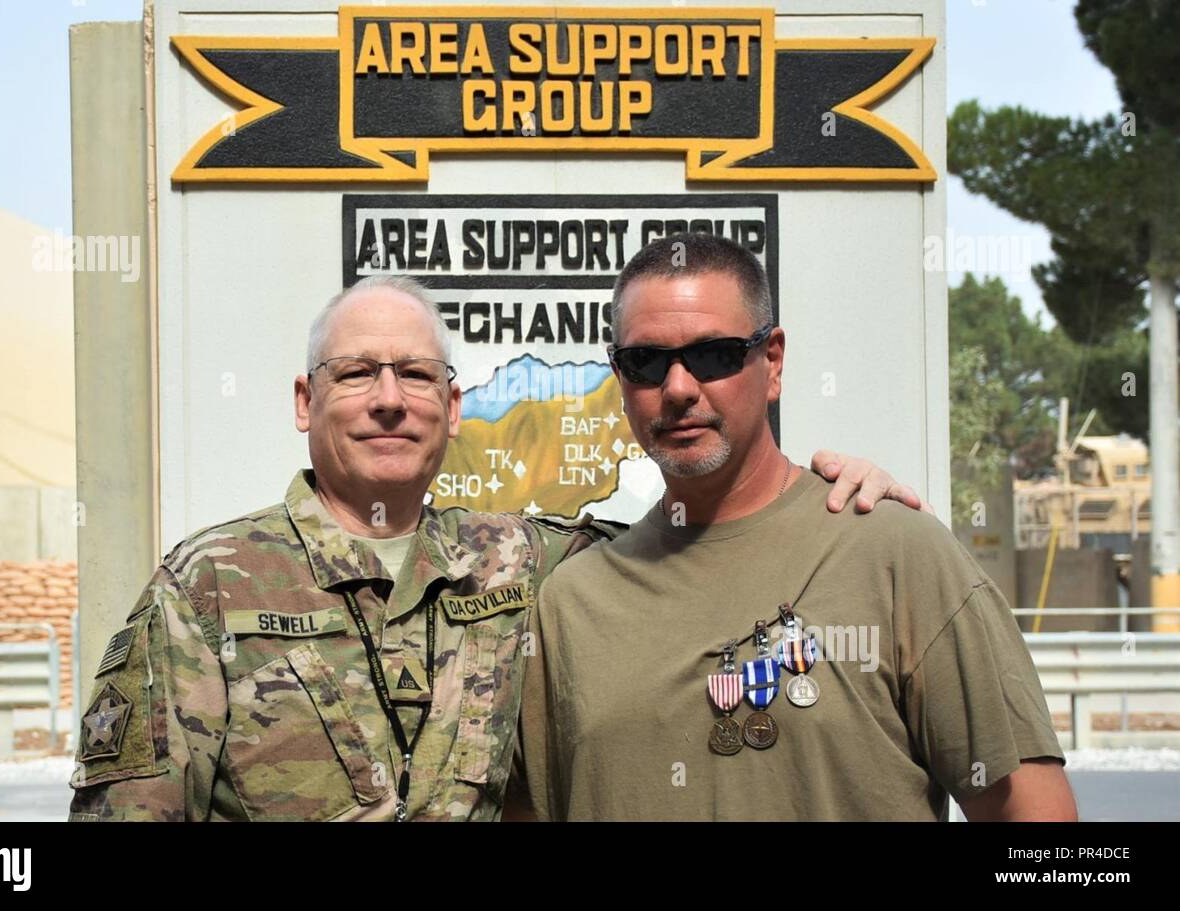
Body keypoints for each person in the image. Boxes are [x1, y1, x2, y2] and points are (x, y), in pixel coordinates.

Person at [68, 275, 917, 821]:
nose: (390, 401)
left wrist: (830, 491)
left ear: (454, 403)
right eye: (357, 373)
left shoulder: (527, 561)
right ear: (306, 398)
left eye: (416, 375)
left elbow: (698, 553)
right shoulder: (210, 585)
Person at [512, 233, 1077, 821]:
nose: (678, 389)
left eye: (714, 354)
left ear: (772, 361)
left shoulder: (899, 555)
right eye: (646, 362)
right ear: (621, 378)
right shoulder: (567, 605)